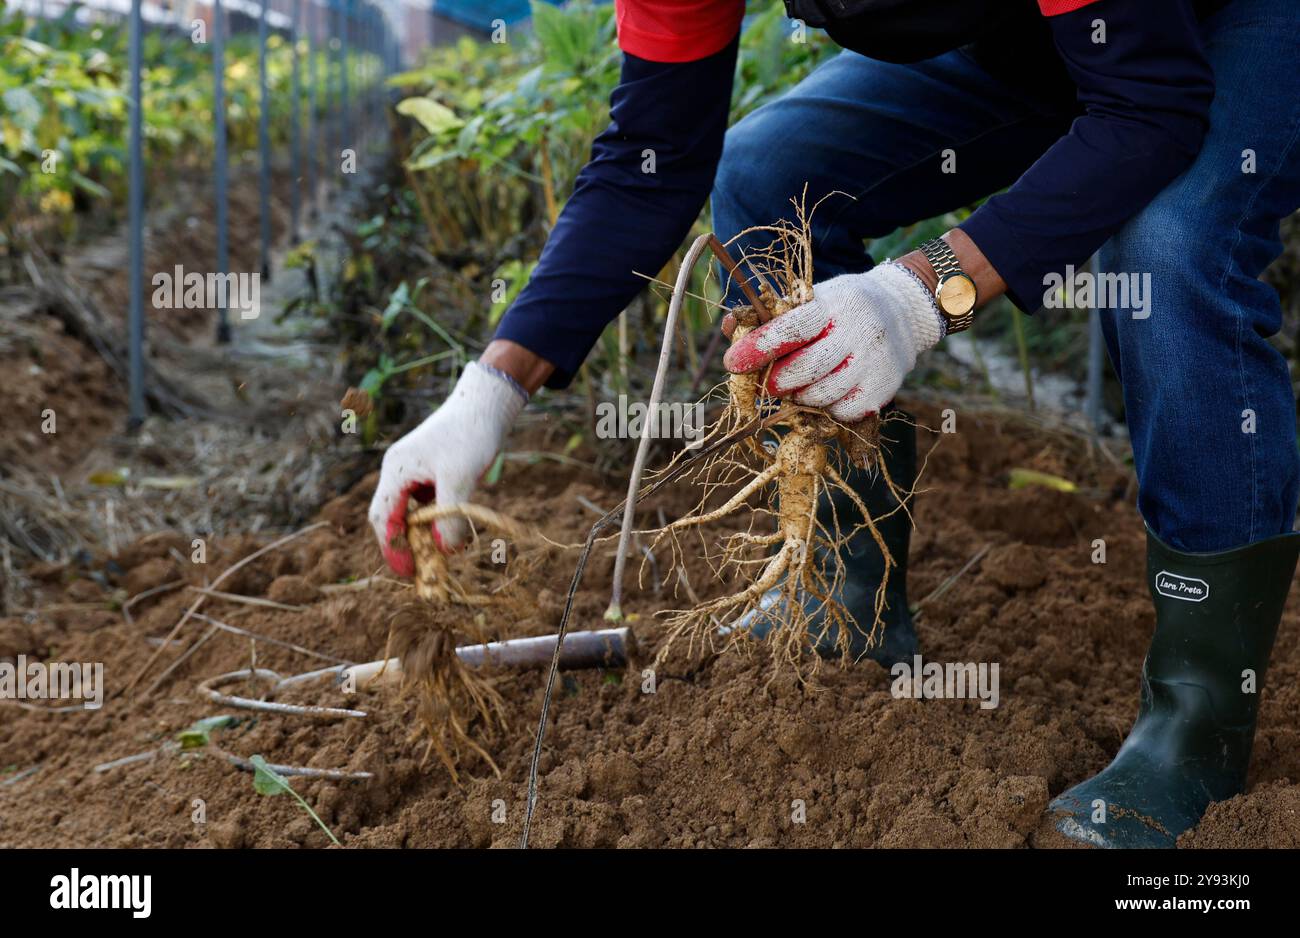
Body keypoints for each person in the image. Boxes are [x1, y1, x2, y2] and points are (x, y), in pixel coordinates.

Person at [369, 0, 1300, 848]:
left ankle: (1198, 723)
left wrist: (921, 296)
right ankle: (848, 599)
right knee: (767, 174)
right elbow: (649, 157)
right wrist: (487, 395)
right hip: (1041, 41)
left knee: (1171, 245)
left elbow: (1149, 107)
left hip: (1236, 23)